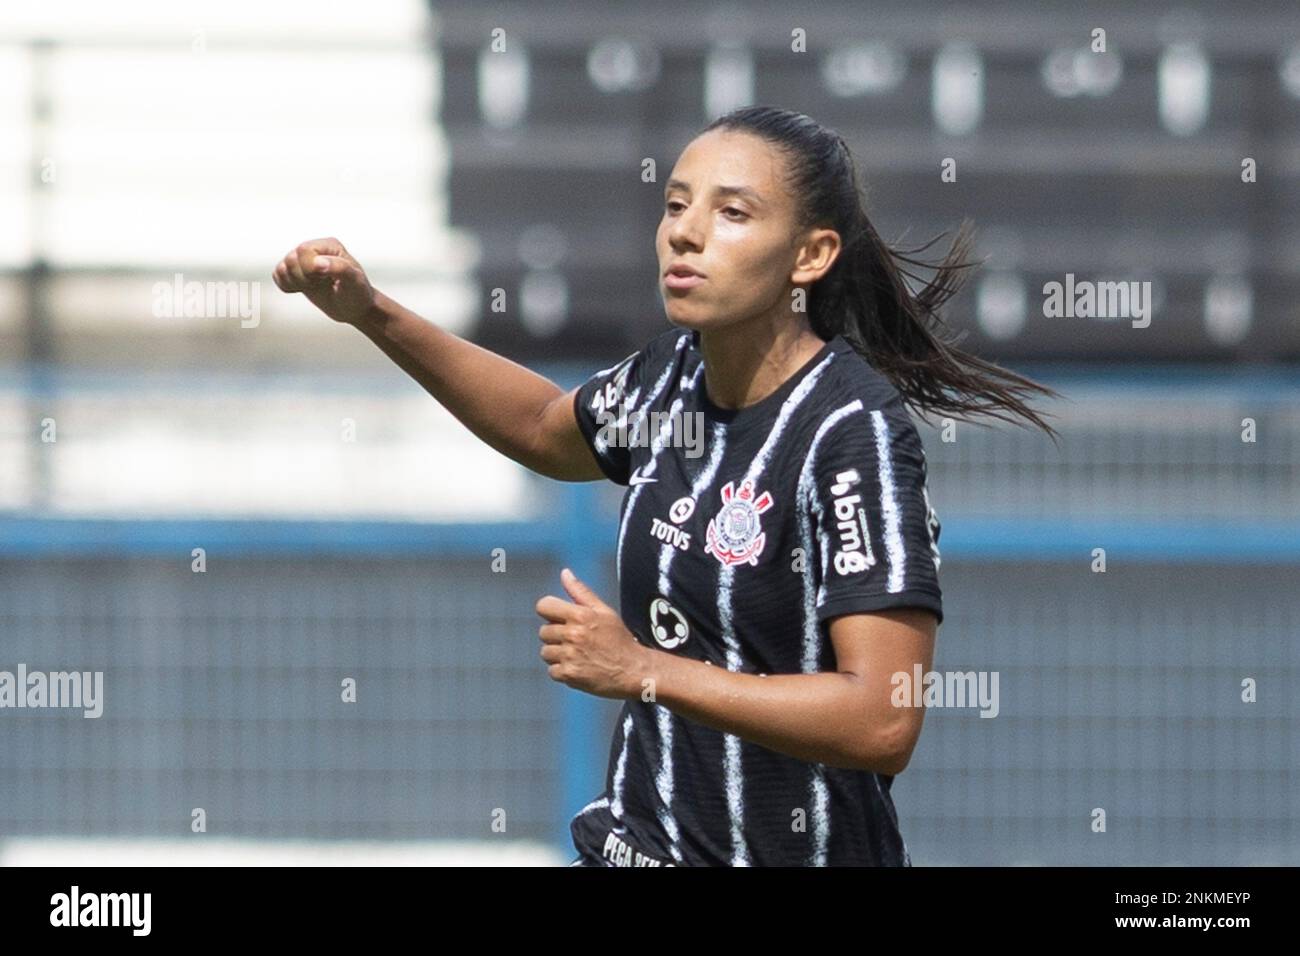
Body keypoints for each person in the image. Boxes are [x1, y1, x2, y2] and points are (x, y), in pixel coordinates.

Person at [271, 104, 1061, 867]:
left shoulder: (849, 434)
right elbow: (548, 426)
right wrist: (371, 313)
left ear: (811, 256)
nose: (685, 231)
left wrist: (643, 669)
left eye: (733, 213)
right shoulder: (673, 378)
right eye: (676, 204)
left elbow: (883, 717)